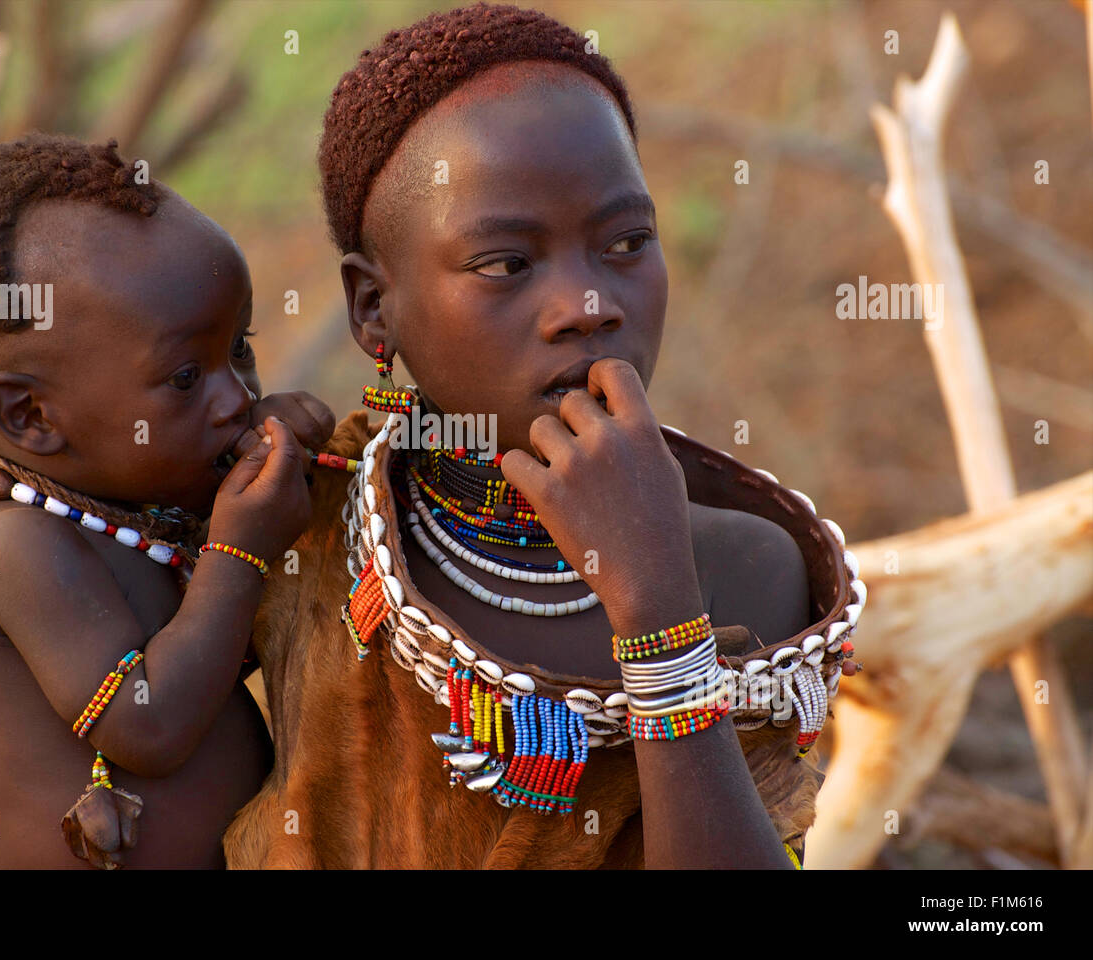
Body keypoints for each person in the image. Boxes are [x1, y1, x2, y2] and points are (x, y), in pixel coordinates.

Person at [223, 2, 864, 868]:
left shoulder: (746, 566)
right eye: (507, 265)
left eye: (628, 241)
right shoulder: (300, 522)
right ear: (375, 308)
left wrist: (659, 611)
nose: (587, 306)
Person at [0, 133, 334, 868]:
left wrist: (292, 477)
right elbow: (150, 726)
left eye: (241, 348)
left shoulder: (133, 498)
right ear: (30, 417)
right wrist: (237, 551)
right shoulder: (17, 551)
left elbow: (220, 646)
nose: (238, 398)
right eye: (188, 377)